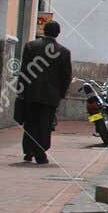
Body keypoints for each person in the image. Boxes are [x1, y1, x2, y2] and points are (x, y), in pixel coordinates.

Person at [19, 21, 73, 164]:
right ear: (58, 33)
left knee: (30, 122)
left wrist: (21, 90)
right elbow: (66, 76)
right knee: (45, 124)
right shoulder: (64, 52)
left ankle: (28, 150)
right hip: (51, 95)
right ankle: (40, 153)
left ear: (44, 30)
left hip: (31, 93)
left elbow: (24, 70)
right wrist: (61, 94)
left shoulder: (30, 46)